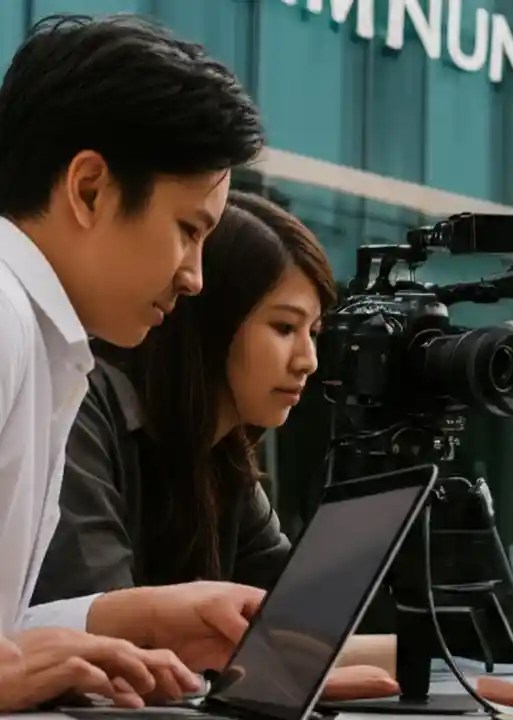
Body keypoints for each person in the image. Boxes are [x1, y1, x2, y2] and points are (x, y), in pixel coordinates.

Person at [0, 13, 267, 710]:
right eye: (188, 230)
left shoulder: (47, 339)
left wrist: (133, 621)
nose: (195, 277)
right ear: (89, 188)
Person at [31, 190, 398, 699]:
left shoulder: (222, 459)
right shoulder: (85, 406)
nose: (308, 359)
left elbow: (293, 630)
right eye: (284, 327)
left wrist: (488, 660)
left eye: (313, 332)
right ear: (209, 318)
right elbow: (105, 631)